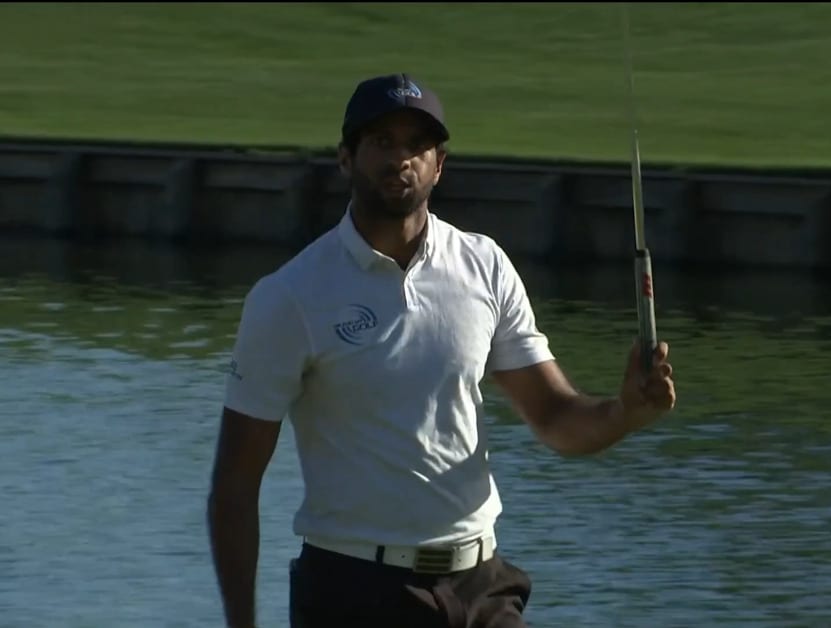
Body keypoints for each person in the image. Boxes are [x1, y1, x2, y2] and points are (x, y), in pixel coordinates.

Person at [206, 72, 676, 628]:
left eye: (417, 145)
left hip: (482, 586)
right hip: (357, 592)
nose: (400, 158)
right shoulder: (289, 296)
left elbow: (554, 417)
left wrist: (624, 414)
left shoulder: (484, 265)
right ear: (345, 159)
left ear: (439, 165)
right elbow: (235, 486)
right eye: (382, 142)